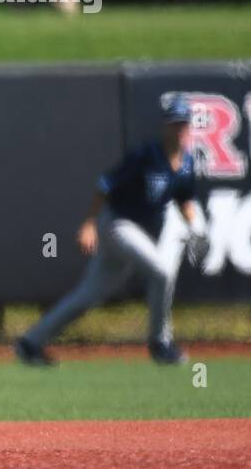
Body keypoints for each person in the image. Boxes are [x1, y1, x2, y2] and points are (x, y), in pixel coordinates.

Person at [15, 94, 207, 367]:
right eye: (174, 123)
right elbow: (105, 185)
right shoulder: (145, 156)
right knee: (162, 272)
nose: (179, 129)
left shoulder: (186, 163)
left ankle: (30, 342)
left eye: (183, 123)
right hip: (117, 225)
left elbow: (185, 200)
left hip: (139, 233)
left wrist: (197, 228)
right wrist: (89, 223)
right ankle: (159, 343)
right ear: (164, 126)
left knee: (87, 296)